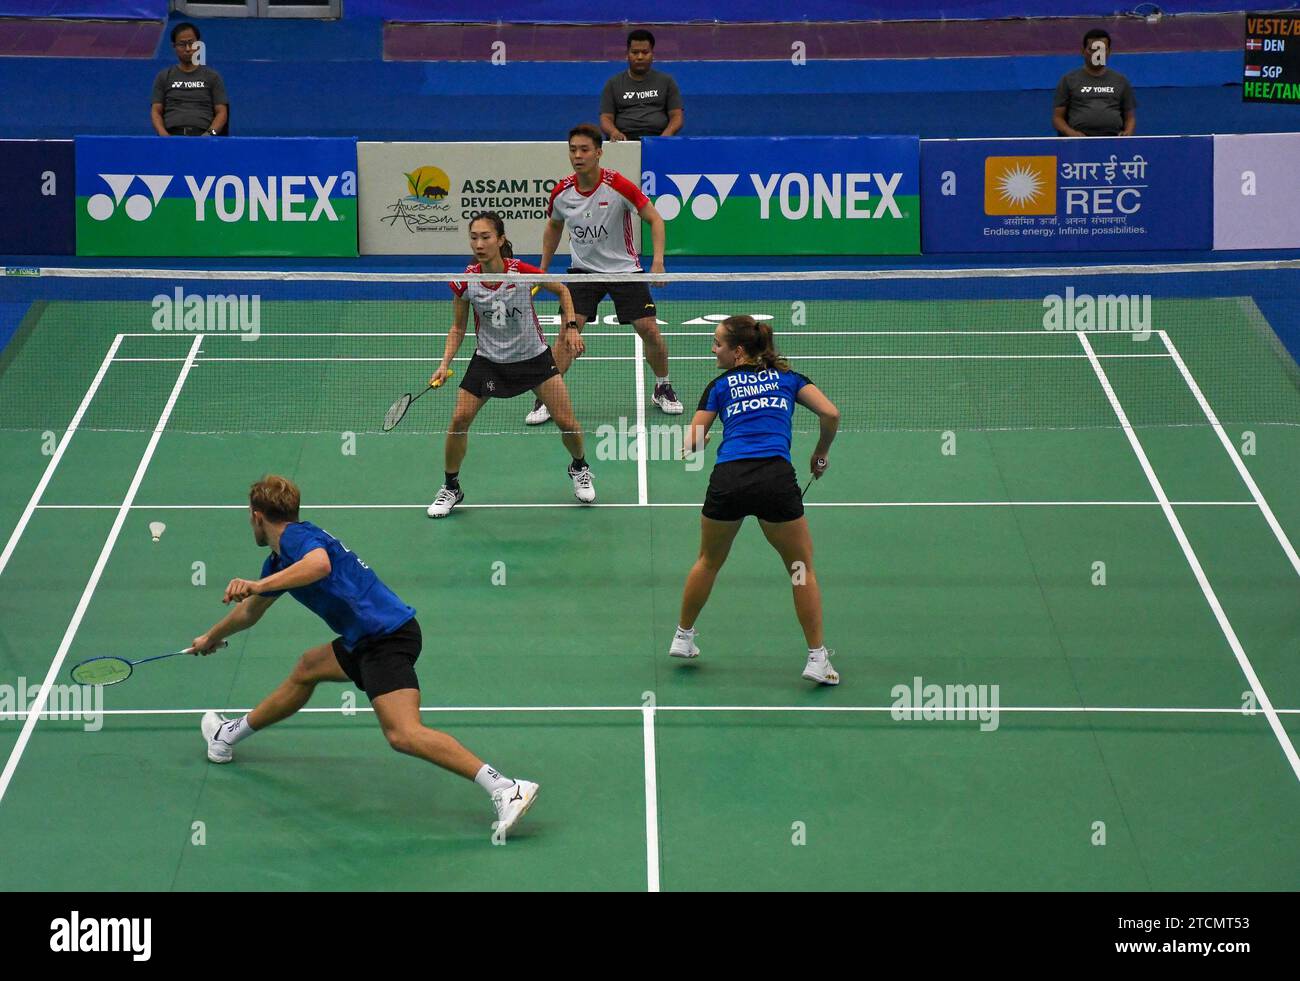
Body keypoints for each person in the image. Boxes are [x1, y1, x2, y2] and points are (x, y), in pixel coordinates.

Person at [192, 475, 539, 840]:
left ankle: (506, 787)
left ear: (257, 515)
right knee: (307, 668)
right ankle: (226, 735)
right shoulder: (279, 562)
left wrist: (258, 585)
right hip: (368, 636)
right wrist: (210, 638)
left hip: (385, 637)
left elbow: (320, 565)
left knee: (403, 734)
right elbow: (248, 612)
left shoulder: (298, 538)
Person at [670, 316, 841, 685]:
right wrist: (820, 454)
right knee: (800, 569)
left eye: (717, 343)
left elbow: (692, 444)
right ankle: (816, 659)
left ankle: (683, 638)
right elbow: (830, 413)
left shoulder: (719, 385)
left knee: (709, 561)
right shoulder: (790, 379)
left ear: (739, 351)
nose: (713, 349)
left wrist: (698, 444)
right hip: (774, 482)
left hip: (729, 481)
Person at [426, 212, 594, 518]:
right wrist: (443, 363)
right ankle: (451, 486)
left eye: (486, 237)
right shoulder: (466, 282)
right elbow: (458, 328)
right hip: (489, 362)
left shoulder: (520, 272)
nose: (479, 243)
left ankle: (579, 466)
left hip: (533, 359)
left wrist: (570, 326)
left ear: (500, 240)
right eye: (474, 237)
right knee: (459, 420)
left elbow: (563, 290)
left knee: (567, 423)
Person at [528, 123, 680, 425]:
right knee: (568, 331)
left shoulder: (618, 185)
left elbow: (655, 218)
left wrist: (658, 261)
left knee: (648, 328)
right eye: (573, 150)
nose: (578, 155)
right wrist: (542, 270)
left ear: (599, 152)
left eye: (584, 150)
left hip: (624, 269)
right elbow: (553, 227)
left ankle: (662, 385)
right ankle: (547, 396)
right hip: (583, 271)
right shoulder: (562, 192)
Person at [600, 29, 684, 142]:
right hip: (624, 141)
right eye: (634, 52)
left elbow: (677, 117)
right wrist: (614, 133)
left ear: (652, 54)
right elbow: (606, 118)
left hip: (659, 139)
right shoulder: (613, 84)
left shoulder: (667, 81)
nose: (639, 57)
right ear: (627, 55)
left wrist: (666, 136)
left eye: (645, 52)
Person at [1053, 29, 1136, 137]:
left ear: (1109, 51)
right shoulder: (1068, 80)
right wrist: (1071, 133)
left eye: (1102, 50)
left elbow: (1130, 118)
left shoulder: (1121, 81)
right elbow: (1057, 118)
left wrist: (1127, 133)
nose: (1097, 54)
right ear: (1083, 51)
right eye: (1093, 50)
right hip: (1079, 142)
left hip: (1113, 140)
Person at [150, 22, 228, 137]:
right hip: (171, 136)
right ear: (174, 47)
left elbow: (222, 113)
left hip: (203, 137)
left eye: (191, 43)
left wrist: (210, 134)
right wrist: (163, 135)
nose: (187, 49)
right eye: (182, 44)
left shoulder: (212, 77)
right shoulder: (164, 76)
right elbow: (156, 111)